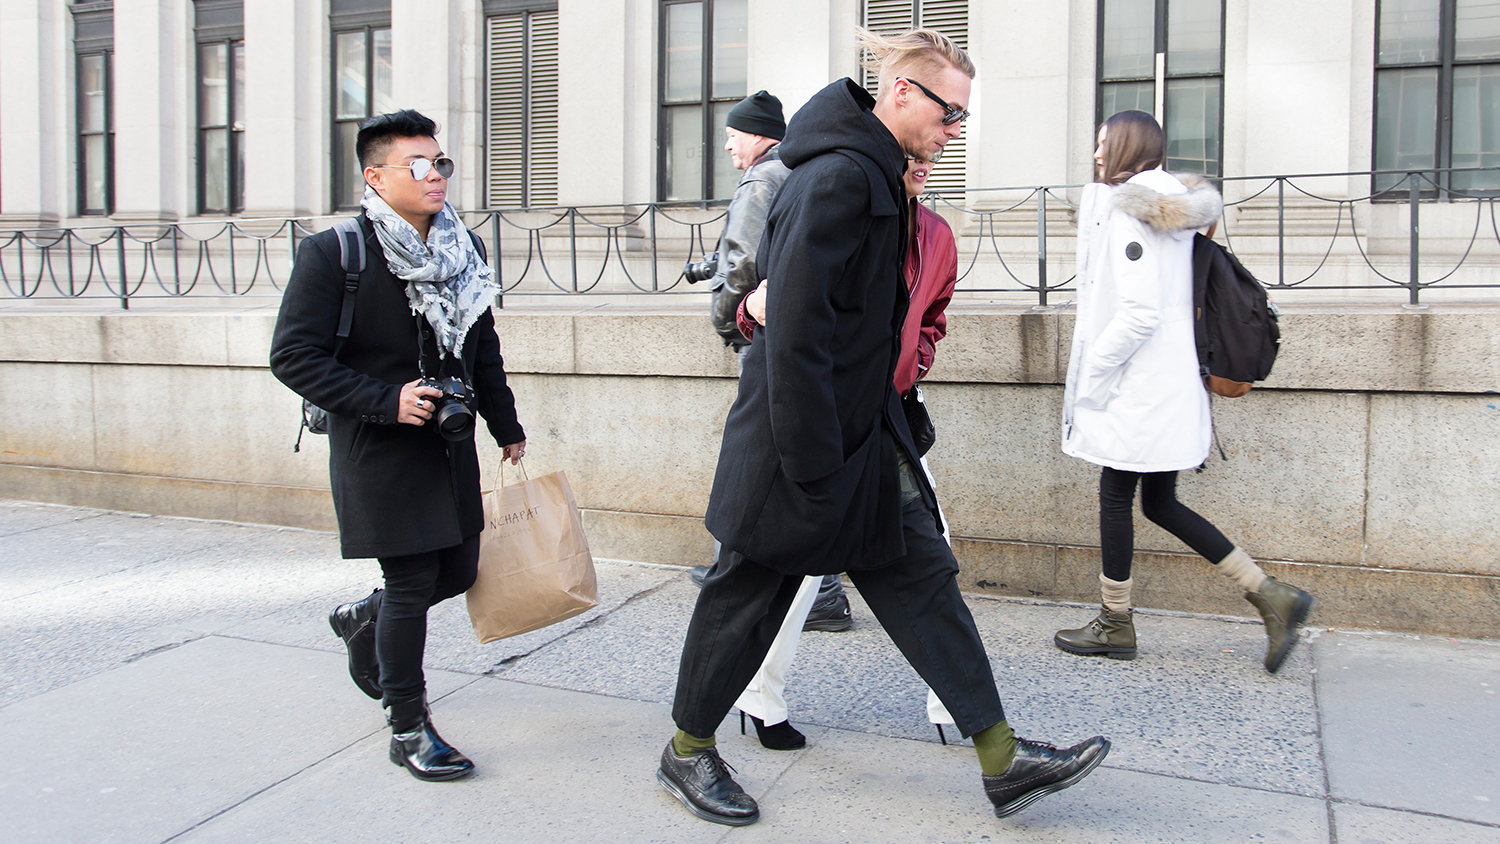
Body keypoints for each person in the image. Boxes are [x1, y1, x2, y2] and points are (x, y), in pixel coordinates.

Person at [657, 28, 1109, 828]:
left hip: (866, 432)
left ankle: (1003, 758)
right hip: (803, 445)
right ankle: (688, 750)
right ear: (902, 93)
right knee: (747, 596)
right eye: (949, 112)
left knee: (922, 580)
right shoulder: (837, 178)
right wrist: (809, 463)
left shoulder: (873, 176)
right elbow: (791, 331)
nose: (954, 130)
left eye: (961, 116)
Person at [269, 109, 526, 782]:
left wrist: (507, 425)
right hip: (377, 449)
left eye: (441, 162)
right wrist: (387, 400)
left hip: (449, 445)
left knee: (459, 572)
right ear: (375, 176)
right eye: (419, 165)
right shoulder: (335, 254)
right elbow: (293, 357)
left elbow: (483, 345)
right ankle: (408, 726)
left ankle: (364, 616)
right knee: (411, 583)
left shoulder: (461, 248)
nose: (435, 175)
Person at [1054, 109, 1314, 674]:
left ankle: (1114, 622)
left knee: (1117, 496)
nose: (1097, 155)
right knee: (1160, 501)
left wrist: (1092, 376)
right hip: (1171, 383)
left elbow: (1138, 314)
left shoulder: (1130, 214)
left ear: (1125, 147)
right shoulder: (1177, 215)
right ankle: (1270, 594)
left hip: (1138, 387)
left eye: (1104, 144)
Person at [734, 152, 962, 744]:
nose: (921, 165)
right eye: (907, 155)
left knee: (933, 553)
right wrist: (751, 311)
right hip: (827, 418)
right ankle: (758, 696)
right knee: (800, 568)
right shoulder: (846, 213)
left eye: (929, 156)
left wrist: (915, 361)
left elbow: (933, 316)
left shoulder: (936, 235)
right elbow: (769, 302)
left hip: (890, 417)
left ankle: (959, 705)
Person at [690, 90, 854, 636]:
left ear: (760, 135)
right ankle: (821, 589)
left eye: (734, 133)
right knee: (799, 457)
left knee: (755, 460)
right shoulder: (807, 169)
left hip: (765, 334)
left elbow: (743, 261)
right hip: (813, 337)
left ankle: (741, 575)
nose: (729, 143)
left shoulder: (763, 177)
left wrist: (725, 321)